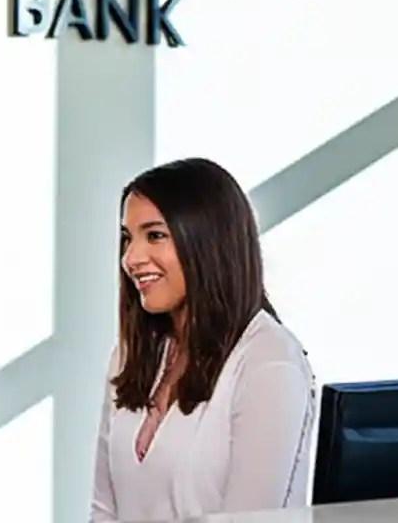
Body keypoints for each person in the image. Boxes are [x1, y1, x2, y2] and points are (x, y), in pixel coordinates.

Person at [91, 158, 316, 522]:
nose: (131, 258)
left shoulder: (268, 360)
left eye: (155, 235)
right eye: (127, 239)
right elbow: (103, 512)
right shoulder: (130, 356)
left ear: (207, 241)